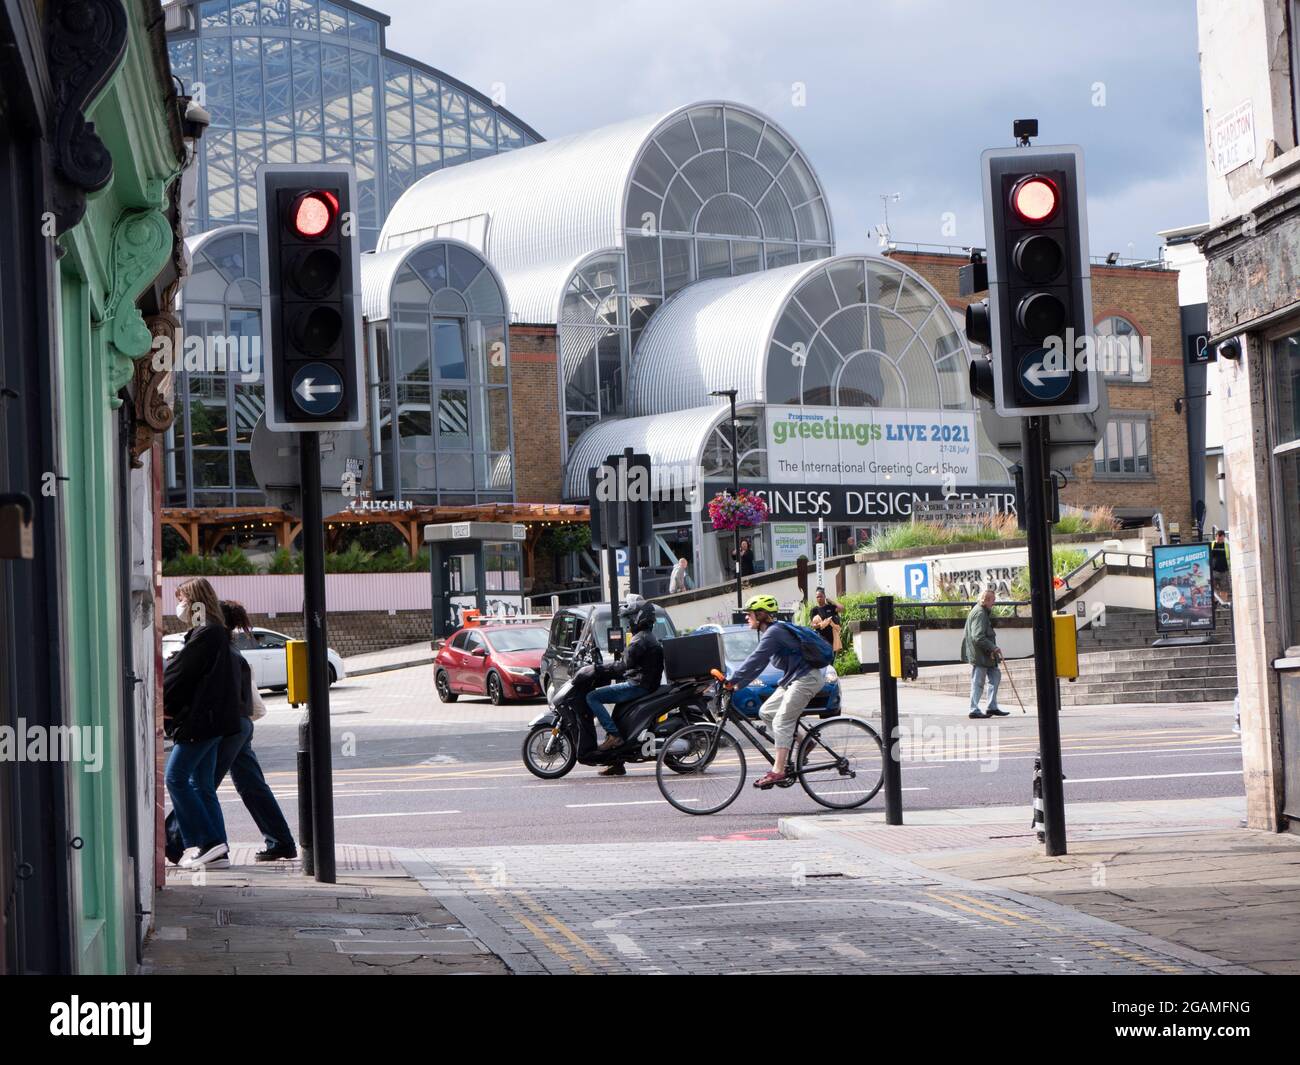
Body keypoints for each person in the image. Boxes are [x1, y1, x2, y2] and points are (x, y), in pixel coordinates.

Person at [165, 602, 298, 864]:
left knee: (198, 785)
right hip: (242, 725)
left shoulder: (217, 650)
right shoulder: (231, 650)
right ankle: (281, 841)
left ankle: (180, 843)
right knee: (250, 785)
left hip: (227, 727)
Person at [163, 577, 243, 869]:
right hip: (214, 721)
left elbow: (180, 674)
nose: (180, 606)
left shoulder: (207, 633)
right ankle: (218, 852)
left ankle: (207, 842)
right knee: (202, 785)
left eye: (183, 599)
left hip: (200, 722)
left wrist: (162, 701)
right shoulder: (213, 632)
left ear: (196, 602)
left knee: (175, 778)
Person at [724, 593, 829, 789]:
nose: (746, 617)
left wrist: (733, 679)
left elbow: (755, 659)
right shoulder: (771, 632)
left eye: (750, 613)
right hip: (794, 678)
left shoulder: (774, 632)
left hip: (806, 678)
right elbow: (760, 664)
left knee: (782, 721)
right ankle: (805, 742)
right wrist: (737, 685)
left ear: (761, 614)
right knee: (766, 712)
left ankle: (778, 771)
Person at [585, 598, 664, 775]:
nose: (628, 623)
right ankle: (617, 762)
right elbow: (629, 666)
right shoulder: (645, 637)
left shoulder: (640, 640)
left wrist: (596, 669)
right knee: (617, 715)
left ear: (639, 617)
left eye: (630, 618)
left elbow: (623, 666)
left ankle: (614, 737)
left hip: (638, 685)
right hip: (642, 683)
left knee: (592, 697)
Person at [962, 587, 1008, 720]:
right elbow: (978, 637)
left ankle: (992, 706)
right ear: (986, 600)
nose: (994, 603)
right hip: (981, 655)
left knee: (995, 676)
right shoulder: (980, 613)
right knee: (978, 682)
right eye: (993, 600)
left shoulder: (981, 611)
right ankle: (974, 709)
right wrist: (993, 647)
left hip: (986, 655)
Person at [808, 587, 842, 653]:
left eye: (821, 596)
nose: (819, 598)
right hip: (821, 639)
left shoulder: (830, 607)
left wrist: (832, 602)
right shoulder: (814, 610)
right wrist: (822, 624)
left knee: (832, 657)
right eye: (817, 597)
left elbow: (842, 609)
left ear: (824, 596)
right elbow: (813, 625)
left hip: (833, 638)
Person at [1211, 530, 1231, 604]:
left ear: (1224, 537)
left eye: (1222, 537)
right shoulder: (1211, 544)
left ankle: (1223, 603)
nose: (1220, 539)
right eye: (1218, 537)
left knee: (1224, 588)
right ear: (1216, 537)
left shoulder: (1227, 545)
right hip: (1214, 570)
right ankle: (1215, 603)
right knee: (1213, 587)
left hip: (1224, 570)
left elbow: (1230, 556)